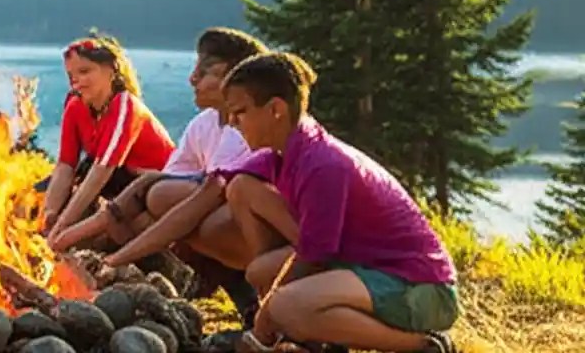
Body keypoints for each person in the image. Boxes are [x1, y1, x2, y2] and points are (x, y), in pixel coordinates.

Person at [216, 52, 459, 353]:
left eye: (239, 112)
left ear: (276, 109)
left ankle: (424, 346)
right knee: (259, 269)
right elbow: (220, 185)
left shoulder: (322, 165)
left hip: (421, 288)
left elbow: (313, 256)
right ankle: (307, 336)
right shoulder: (285, 154)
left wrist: (263, 324)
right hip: (369, 271)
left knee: (285, 304)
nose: (231, 122)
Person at [48, 28, 266, 322]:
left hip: (264, 235)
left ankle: (247, 297)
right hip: (170, 201)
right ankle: (206, 289)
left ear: (236, 78)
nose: (192, 79)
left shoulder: (245, 132)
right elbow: (68, 166)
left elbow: (181, 196)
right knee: (146, 201)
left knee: (162, 201)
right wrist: (54, 222)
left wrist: (79, 238)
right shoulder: (204, 125)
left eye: (204, 72)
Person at [42, 33, 176, 242]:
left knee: (89, 196)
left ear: (112, 70)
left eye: (85, 71)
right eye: (71, 76)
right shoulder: (75, 104)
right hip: (117, 180)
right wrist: (49, 214)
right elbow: (66, 165)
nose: (76, 81)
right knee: (43, 189)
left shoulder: (125, 105)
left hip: (152, 184)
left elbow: (102, 171)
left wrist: (63, 225)